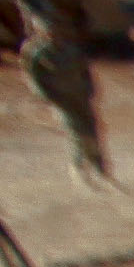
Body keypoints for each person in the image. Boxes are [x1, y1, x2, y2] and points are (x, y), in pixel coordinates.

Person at [24, 17, 106, 180]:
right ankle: (79, 166)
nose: (53, 35)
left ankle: (99, 166)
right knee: (76, 130)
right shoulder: (37, 54)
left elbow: (85, 70)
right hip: (61, 98)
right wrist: (47, 96)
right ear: (41, 33)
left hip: (80, 94)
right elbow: (34, 79)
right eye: (48, 32)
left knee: (92, 127)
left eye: (55, 31)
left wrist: (91, 88)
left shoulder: (72, 50)